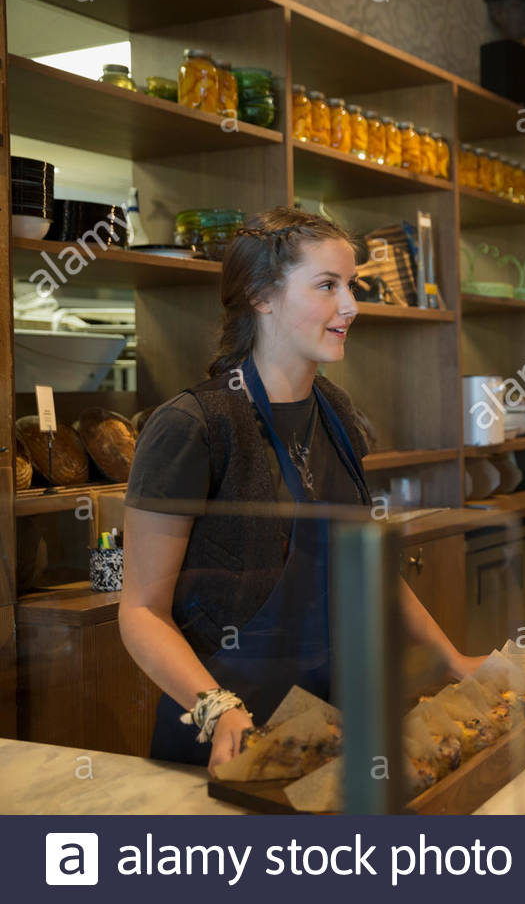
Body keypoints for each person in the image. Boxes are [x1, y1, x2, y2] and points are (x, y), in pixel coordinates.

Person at [120, 207, 482, 774]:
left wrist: (452, 659)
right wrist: (217, 709)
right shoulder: (193, 426)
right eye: (327, 286)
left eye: (352, 285)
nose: (351, 305)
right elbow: (141, 611)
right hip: (226, 738)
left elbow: (366, 571)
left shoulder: (338, 413)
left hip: (333, 728)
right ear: (262, 297)